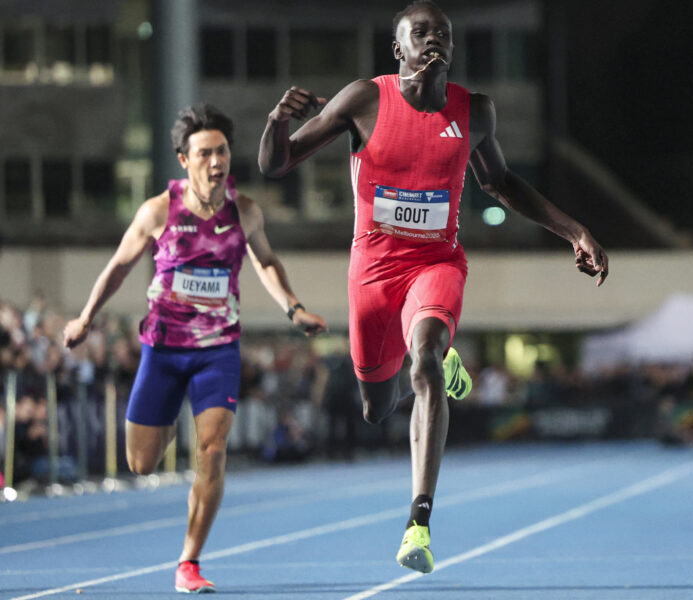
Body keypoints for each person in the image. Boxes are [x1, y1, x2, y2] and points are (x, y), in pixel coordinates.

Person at [258, 0, 608, 574]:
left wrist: (575, 231)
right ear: (400, 49)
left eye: (442, 33)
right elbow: (278, 164)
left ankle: (418, 520)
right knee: (376, 408)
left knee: (421, 361)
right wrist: (276, 122)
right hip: (372, 270)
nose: (433, 39)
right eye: (419, 33)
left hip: (436, 264)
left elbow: (501, 183)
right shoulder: (364, 100)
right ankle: (436, 367)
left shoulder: (476, 111)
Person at [64, 104, 327, 593]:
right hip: (163, 350)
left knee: (213, 448)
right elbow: (118, 267)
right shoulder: (158, 211)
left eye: (222, 151)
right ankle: (166, 425)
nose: (216, 161)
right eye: (205, 152)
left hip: (218, 350)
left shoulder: (244, 211)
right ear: (185, 160)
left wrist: (294, 309)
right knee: (142, 462)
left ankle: (189, 561)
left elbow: (267, 262)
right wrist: (85, 317)